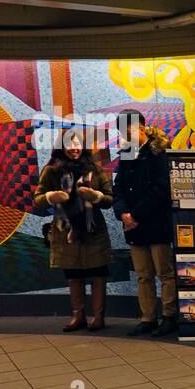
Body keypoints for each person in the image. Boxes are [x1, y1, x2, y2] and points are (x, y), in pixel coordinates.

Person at [35, 130, 114, 332]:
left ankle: (98, 317)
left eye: (77, 143)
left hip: (93, 230)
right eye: (69, 144)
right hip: (65, 232)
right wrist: (52, 196)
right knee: (73, 275)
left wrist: (95, 196)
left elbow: (109, 200)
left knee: (98, 274)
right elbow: (37, 201)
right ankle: (77, 316)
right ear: (61, 147)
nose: (74, 148)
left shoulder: (96, 170)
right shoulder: (51, 170)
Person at [111, 109, 177, 337]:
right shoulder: (127, 154)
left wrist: (134, 215)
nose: (124, 134)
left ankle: (169, 316)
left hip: (155, 222)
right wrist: (123, 214)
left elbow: (162, 189)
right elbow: (117, 188)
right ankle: (147, 317)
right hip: (133, 226)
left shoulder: (159, 151)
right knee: (143, 274)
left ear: (140, 127)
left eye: (126, 129)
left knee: (164, 273)